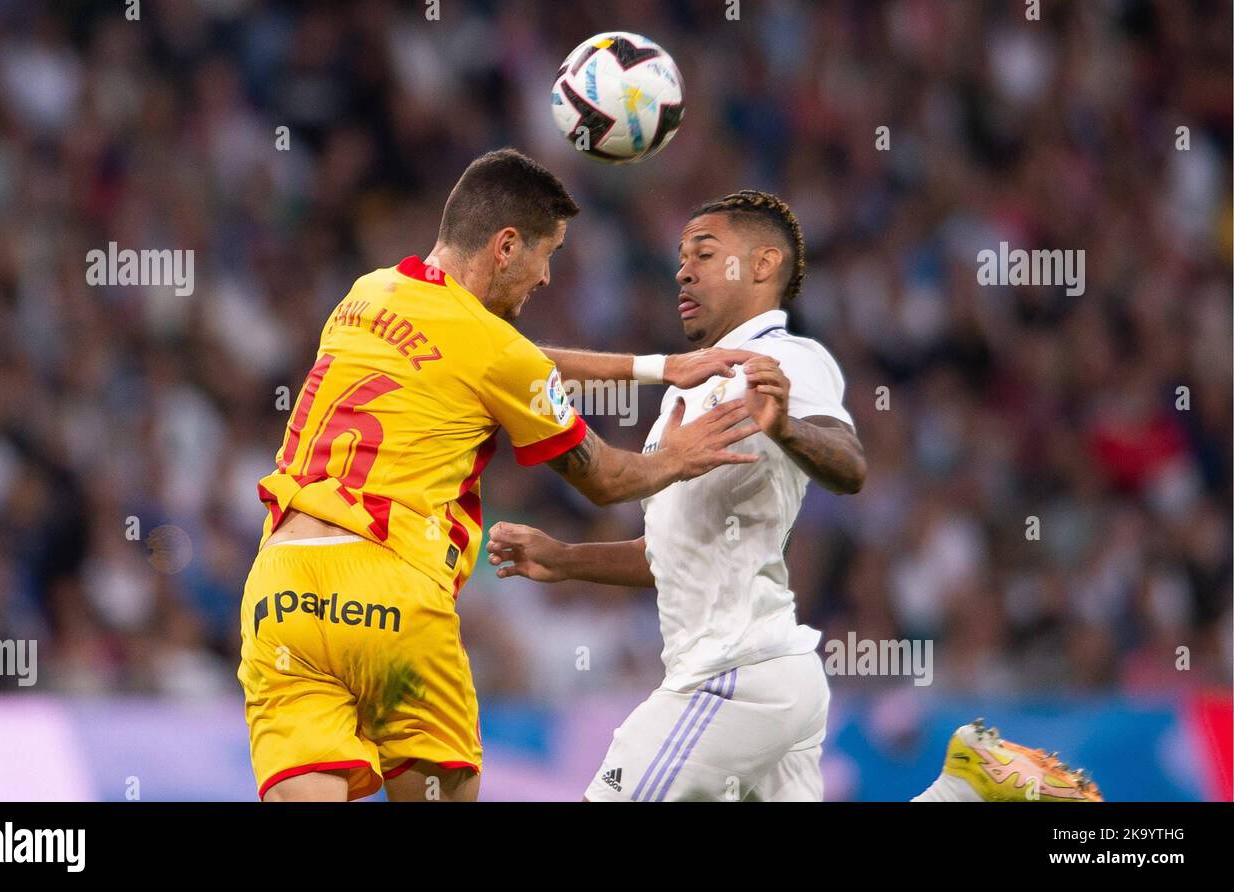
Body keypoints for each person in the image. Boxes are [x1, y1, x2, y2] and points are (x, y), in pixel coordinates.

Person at [487, 190, 1102, 803]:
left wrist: (786, 428)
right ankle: (963, 793)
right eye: (680, 255)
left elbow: (850, 464)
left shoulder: (783, 358)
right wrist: (564, 558)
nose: (682, 269)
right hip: (770, 679)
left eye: (704, 252)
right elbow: (671, 552)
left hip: (733, 677)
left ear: (762, 266)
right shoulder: (692, 388)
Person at [237, 148, 766, 802]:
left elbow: (499, 358)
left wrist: (652, 367)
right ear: (506, 246)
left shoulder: (367, 294)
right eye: (548, 255)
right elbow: (601, 478)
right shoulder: (496, 352)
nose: (546, 278)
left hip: (281, 589)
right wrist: (677, 458)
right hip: (390, 590)